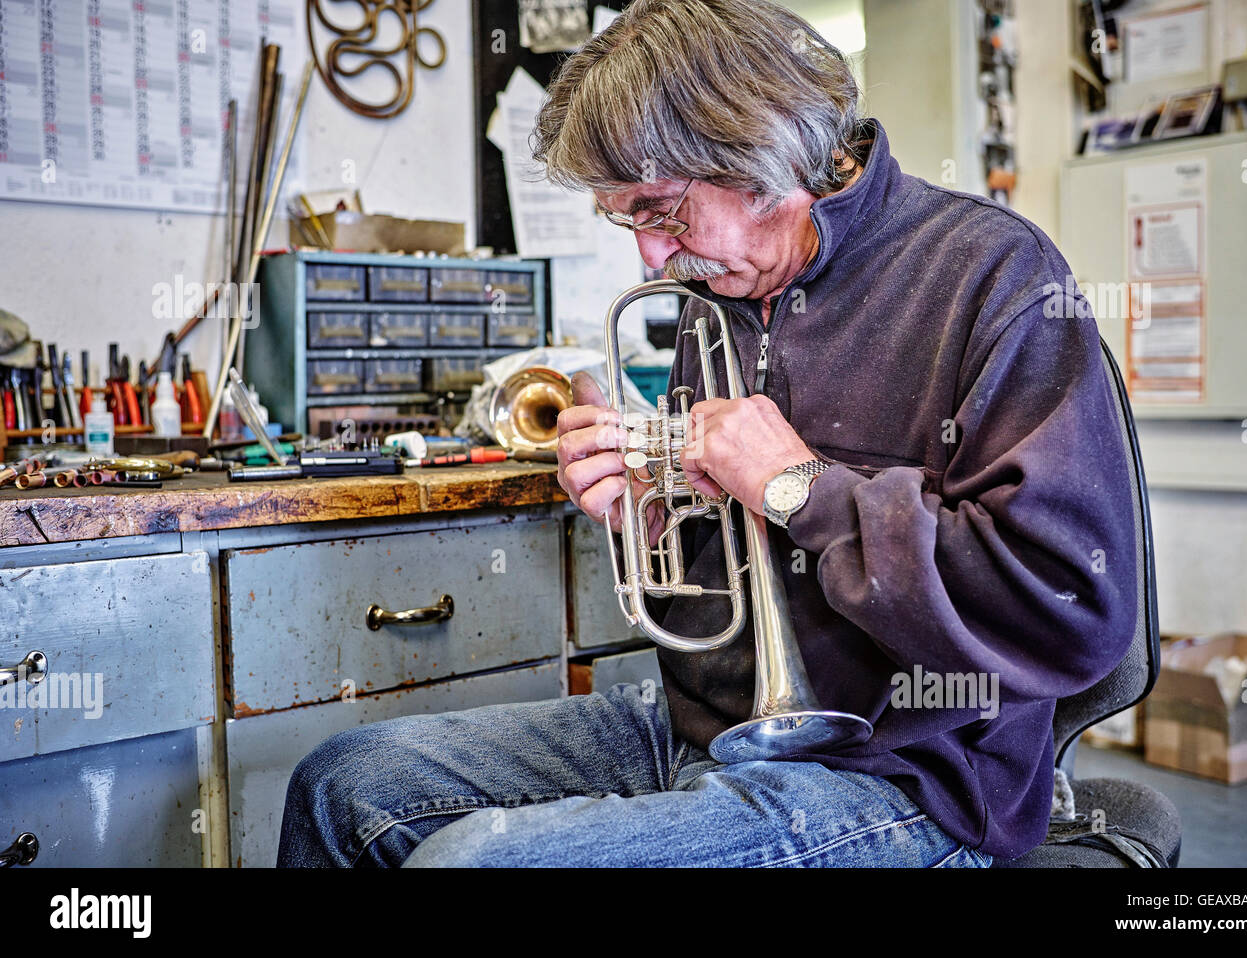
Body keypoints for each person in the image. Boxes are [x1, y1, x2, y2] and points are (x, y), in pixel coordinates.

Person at [277, 0, 1136, 868]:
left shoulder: (992, 273)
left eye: (661, 212)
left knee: (473, 864)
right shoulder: (717, 293)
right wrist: (652, 518)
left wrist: (802, 487)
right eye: (631, 222)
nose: (652, 260)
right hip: (706, 725)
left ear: (763, 150)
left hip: (907, 772)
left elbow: (1071, 609)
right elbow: (729, 570)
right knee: (344, 784)